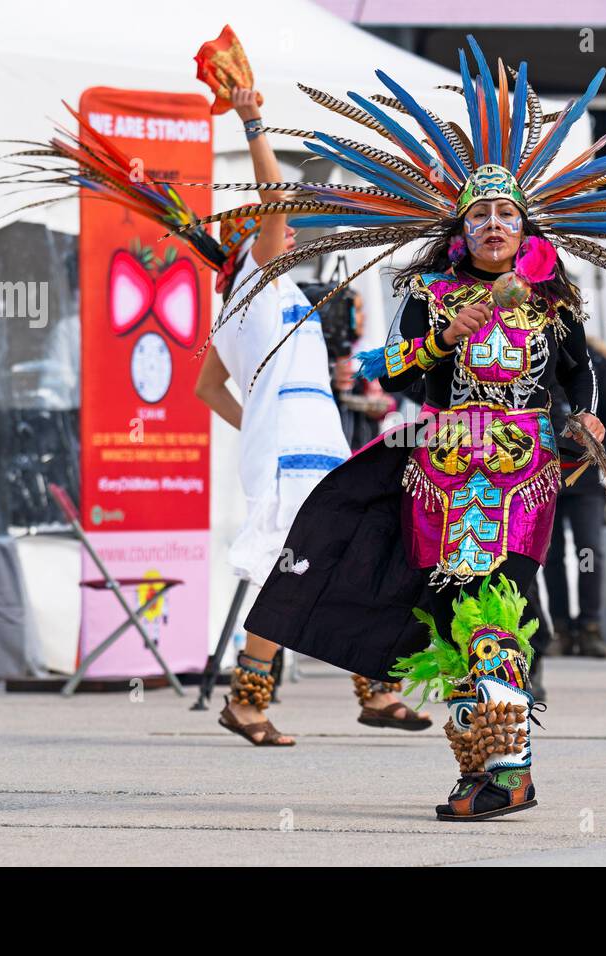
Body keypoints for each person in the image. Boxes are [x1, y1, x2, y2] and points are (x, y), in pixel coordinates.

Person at [207, 36, 606, 819]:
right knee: (451, 615)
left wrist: (592, 421)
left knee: (489, 607)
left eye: (508, 213)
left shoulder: (553, 300)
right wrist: (447, 331)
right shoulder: (430, 293)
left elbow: (581, 372)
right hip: (438, 470)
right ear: (462, 230)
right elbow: (389, 370)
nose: (496, 224)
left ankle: (510, 771)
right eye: (482, 215)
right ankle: (483, 766)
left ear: (525, 224)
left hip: (519, 473)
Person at [193, 87, 430, 745]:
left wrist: (261, 429)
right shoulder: (259, 275)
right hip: (296, 456)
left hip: (304, 449)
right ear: (249, 240)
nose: (290, 231)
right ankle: (254, 701)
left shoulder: (247, 301)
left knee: (344, 558)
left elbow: (207, 391)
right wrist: (252, 121)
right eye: (276, 229)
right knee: (293, 568)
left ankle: (373, 691)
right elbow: (278, 201)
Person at [544, 336, 606, 659]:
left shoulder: (596, 363)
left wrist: (601, 453)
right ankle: (562, 628)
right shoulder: (538, 353)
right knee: (550, 556)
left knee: (588, 551)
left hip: (585, 480)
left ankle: (590, 628)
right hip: (546, 477)